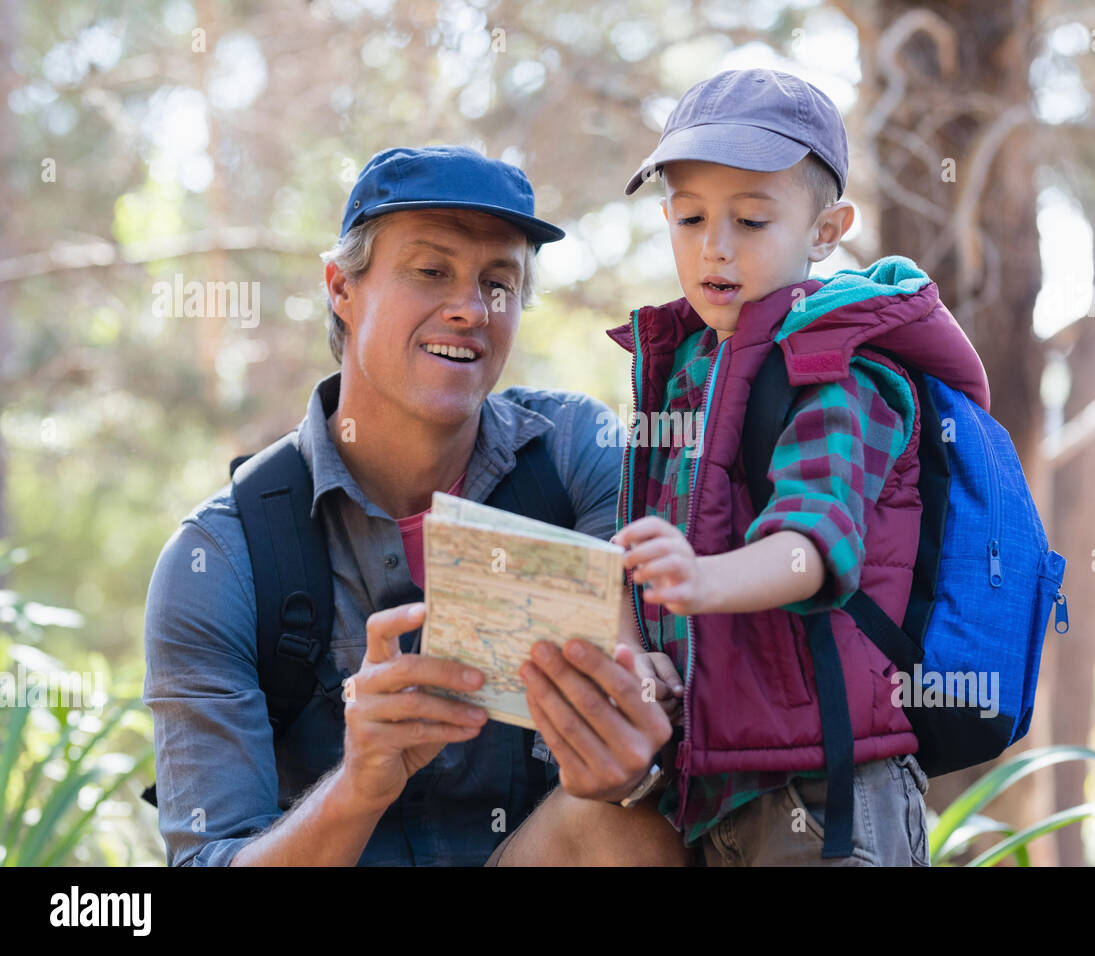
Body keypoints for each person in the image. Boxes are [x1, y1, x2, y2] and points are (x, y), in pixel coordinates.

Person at [143, 145, 685, 866]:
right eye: (431, 272)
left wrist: (632, 763)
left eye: (498, 283)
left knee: (622, 822)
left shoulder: (576, 455)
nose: (468, 309)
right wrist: (361, 781)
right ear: (341, 287)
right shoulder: (219, 559)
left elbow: (641, 689)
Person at [608, 69, 991, 865]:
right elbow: (637, 556)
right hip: (714, 778)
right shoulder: (685, 367)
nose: (715, 245)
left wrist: (702, 582)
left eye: (751, 219)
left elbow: (814, 546)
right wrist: (636, 643)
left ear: (826, 230)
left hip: (831, 793)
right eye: (688, 217)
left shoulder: (839, 372)